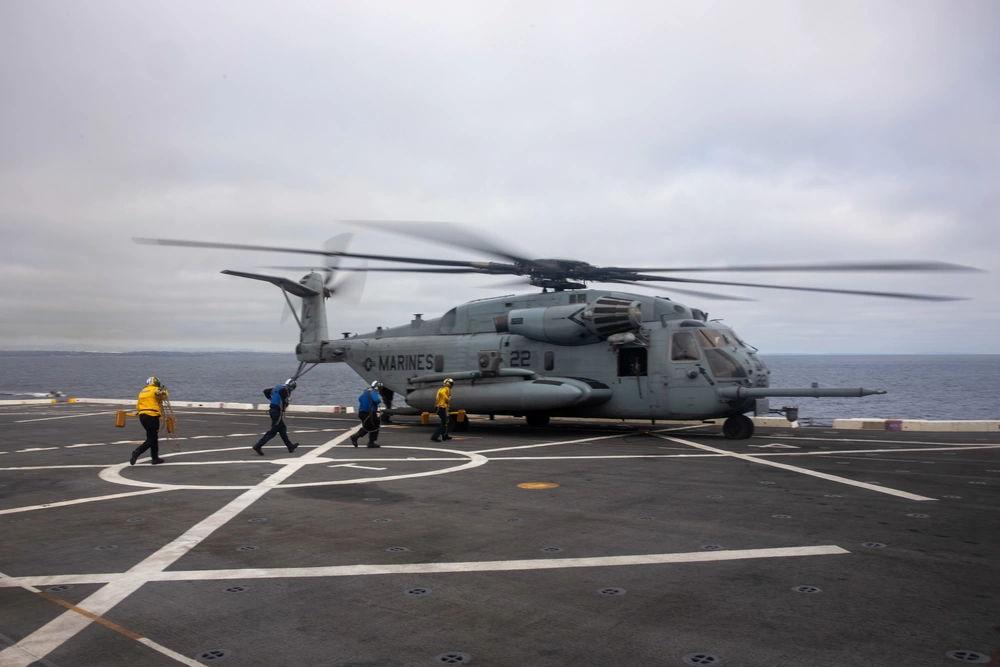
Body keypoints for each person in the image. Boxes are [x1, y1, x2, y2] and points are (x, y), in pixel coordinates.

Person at [252, 379, 299, 455]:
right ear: (292, 386)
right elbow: (282, 392)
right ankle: (258, 445)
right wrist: (287, 398)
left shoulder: (278, 387)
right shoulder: (285, 389)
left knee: (282, 429)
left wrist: (272, 400)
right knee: (273, 431)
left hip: (273, 411)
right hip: (276, 412)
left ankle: (290, 446)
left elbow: (266, 391)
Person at [130, 376, 168, 465]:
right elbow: (164, 396)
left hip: (142, 416)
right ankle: (137, 451)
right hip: (152, 416)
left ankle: (155, 458)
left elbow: (137, 406)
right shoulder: (155, 390)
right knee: (152, 439)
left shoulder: (142, 392)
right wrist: (164, 390)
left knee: (152, 437)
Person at [350, 380, 383, 448]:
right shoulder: (374, 392)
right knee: (376, 425)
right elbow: (376, 400)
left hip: (361, 413)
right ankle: (371, 442)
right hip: (369, 414)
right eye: (380, 388)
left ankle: (355, 436)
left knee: (367, 427)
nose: (380, 389)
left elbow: (360, 399)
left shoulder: (366, 391)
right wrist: (379, 401)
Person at [430, 378, 454, 442]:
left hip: (441, 408)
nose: (452, 385)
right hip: (442, 408)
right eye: (451, 383)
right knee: (444, 423)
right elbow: (441, 393)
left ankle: (445, 436)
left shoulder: (443, 389)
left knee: (446, 422)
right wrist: (447, 399)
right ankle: (435, 436)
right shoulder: (446, 389)